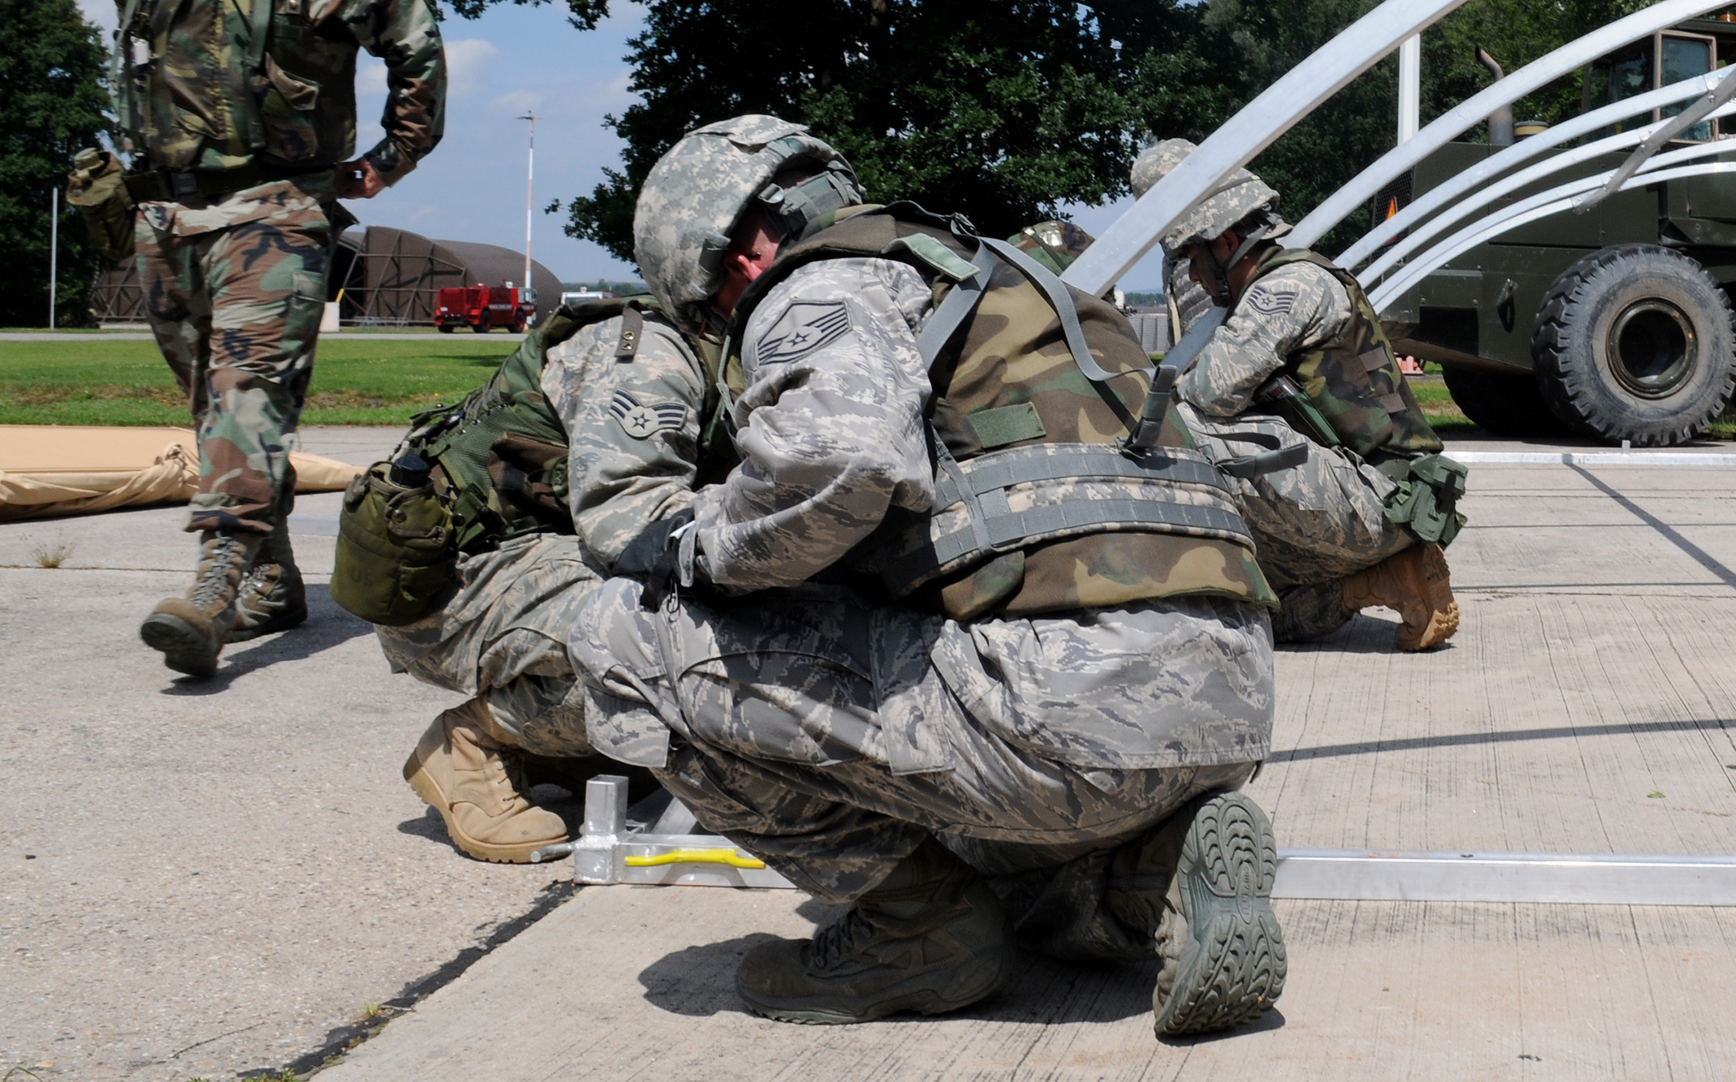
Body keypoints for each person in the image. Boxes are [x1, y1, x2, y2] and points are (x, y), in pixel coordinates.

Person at [566, 119, 1288, 1036]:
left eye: (712, 312)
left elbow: (845, 459)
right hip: (1226, 699)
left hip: (1063, 705)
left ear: (737, 258)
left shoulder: (816, 285)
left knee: (620, 631)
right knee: (968, 833)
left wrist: (691, 548)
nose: (726, 329)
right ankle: (1146, 875)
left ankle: (918, 929)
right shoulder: (1004, 278)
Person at [333, 118, 860, 861]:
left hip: (541, 563)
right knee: (674, 638)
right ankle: (476, 741)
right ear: (734, 258)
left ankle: (576, 744)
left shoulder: (750, 346)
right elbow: (634, 531)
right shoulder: (653, 359)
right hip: (460, 585)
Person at [77, 0, 445, 679]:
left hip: (278, 208)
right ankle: (275, 582)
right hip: (167, 214)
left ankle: (215, 582)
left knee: (247, 396)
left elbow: (416, 40)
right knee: (217, 406)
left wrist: (391, 158)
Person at [1131, 140, 1467, 652]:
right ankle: (1381, 581)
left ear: (1225, 241)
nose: (1192, 275)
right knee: (1236, 608)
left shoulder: (1288, 287)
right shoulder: (1274, 284)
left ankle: (1384, 560)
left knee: (1183, 433)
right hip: (1375, 501)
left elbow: (1205, 396)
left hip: (1382, 499)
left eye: (1191, 259)